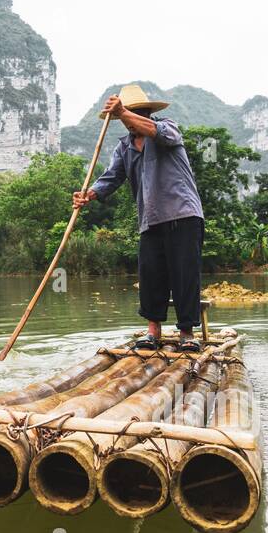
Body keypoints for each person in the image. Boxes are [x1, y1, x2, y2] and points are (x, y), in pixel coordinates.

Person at [72, 84, 205, 353]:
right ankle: (152, 332)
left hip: (183, 213)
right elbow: (111, 178)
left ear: (146, 112)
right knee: (151, 275)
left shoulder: (166, 127)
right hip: (150, 218)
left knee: (184, 274)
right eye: (125, 115)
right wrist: (90, 194)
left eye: (133, 113)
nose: (129, 120)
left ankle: (186, 334)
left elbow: (159, 134)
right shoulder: (124, 147)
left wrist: (122, 111)